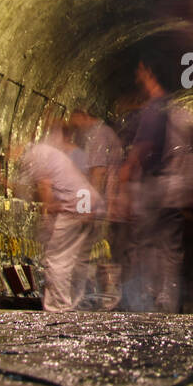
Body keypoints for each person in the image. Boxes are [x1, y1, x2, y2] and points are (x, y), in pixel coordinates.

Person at [119, 57, 193, 313]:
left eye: (141, 71)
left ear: (150, 73)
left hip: (157, 186)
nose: (138, 76)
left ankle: (143, 303)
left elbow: (145, 147)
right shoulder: (182, 111)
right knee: (171, 250)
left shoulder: (155, 109)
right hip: (179, 191)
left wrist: (127, 172)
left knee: (143, 244)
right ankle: (168, 304)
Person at [16, 115, 102, 312]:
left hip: (76, 206)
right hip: (90, 202)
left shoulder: (34, 155)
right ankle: (76, 302)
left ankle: (58, 307)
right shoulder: (53, 154)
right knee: (77, 260)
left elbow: (45, 186)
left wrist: (46, 214)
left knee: (57, 258)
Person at [69, 103, 125, 309]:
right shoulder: (107, 133)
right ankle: (107, 301)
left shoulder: (99, 135)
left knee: (94, 256)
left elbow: (97, 173)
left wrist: (86, 207)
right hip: (108, 206)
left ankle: (99, 302)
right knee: (105, 255)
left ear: (83, 114)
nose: (72, 124)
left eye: (73, 118)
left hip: (100, 207)